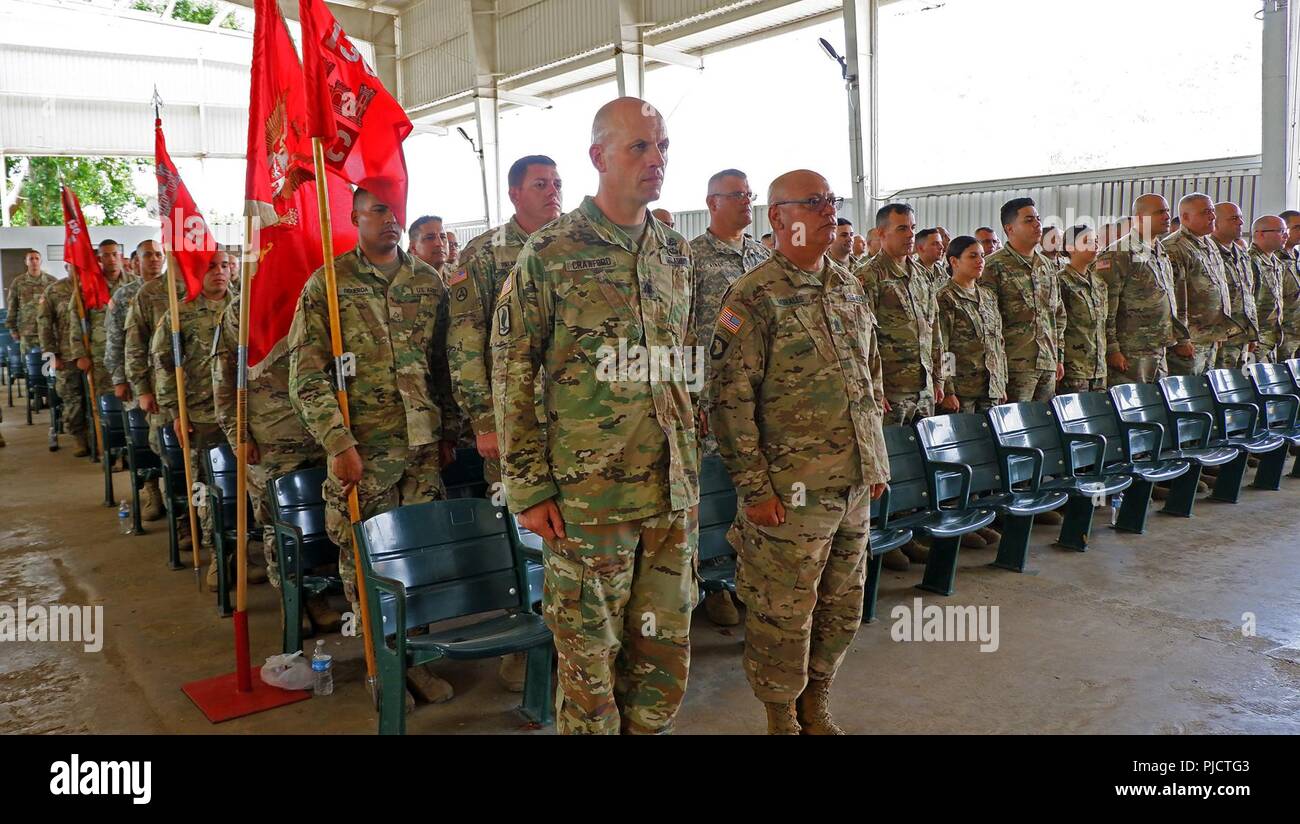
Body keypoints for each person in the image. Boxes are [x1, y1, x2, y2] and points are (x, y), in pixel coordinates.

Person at [491, 97, 698, 734]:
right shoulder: (550, 253)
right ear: (598, 157)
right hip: (589, 501)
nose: (655, 160)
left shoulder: (673, 252)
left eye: (661, 146)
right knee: (589, 668)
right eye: (639, 147)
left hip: (669, 494)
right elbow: (512, 369)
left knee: (662, 659)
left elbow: (680, 364)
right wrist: (527, 486)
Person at [709, 169, 887, 734]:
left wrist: (875, 461)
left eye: (831, 200)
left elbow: (870, 377)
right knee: (784, 612)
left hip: (853, 482)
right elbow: (729, 401)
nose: (827, 210)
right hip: (791, 491)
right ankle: (780, 712)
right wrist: (755, 490)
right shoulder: (753, 296)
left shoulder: (847, 284)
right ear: (778, 218)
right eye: (813, 202)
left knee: (841, 605)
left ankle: (818, 700)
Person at [288, 187, 461, 705]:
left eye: (394, 211)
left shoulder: (427, 282)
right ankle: (381, 667)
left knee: (419, 561)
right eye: (378, 211)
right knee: (366, 563)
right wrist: (337, 441)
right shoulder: (329, 285)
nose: (390, 220)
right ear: (354, 217)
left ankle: (418, 660)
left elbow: (443, 365)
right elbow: (307, 372)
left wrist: (448, 430)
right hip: (365, 451)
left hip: (423, 449)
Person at [447, 153, 564, 692]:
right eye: (541, 184)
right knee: (523, 529)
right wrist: (483, 419)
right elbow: (466, 343)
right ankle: (525, 642)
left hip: (573, 420)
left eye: (558, 183)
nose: (553, 192)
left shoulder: (572, 244)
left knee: (571, 529)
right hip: (515, 419)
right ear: (515, 193)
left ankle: (572, 636)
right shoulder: (484, 254)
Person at [688, 167, 769, 627]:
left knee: (750, 485)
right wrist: (693, 399)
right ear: (712, 202)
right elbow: (677, 332)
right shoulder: (690, 259)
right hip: (711, 399)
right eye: (737, 195)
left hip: (758, 398)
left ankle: (744, 576)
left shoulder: (760, 255)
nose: (746, 202)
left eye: (750, 195)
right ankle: (706, 582)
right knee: (706, 490)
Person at [858, 202, 941, 569]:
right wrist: (874, 390)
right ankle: (882, 537)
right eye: (901, 229)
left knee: (913, 464)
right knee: (884, 465)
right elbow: (862, 343)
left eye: (912, 228)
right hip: (890, 390)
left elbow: (934, 330)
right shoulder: (867, 277)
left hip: (921, 386)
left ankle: (911, 531)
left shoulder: (922, 275)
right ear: (881, 234)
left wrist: (938, 378)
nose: (909, 236)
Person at [152, 250, 237, 589]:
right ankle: (216, 554)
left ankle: (238, 553)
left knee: (238, 490)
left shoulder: (243, 308)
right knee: (205, 488)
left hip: (239, 414)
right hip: (199, 415)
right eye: (211, 267)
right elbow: (161, 363)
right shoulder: (180, 313)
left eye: (225, 266)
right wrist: (175, 410)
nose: (219, 272)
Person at [981, 198, 1065, 401]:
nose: (1037, 224)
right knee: (1013, 427)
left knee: (1043, 426)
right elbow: (988, 323)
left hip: (1047, 362)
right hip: (1014, 366)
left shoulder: (1047, 265)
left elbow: (1057, 314)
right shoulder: (992, 266)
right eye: (1028, 220)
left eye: (1038, 218)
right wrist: (997, 370)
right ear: (1010, 228)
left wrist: (1059, 357)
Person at [1098, 194, 1179, 384]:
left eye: (1167, 211)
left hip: (1159, 345)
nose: (1167, 217)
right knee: (1133, 406)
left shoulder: (1159, 249)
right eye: (1160, 212)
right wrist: (1112, 348)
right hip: (1131, 349)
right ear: (1141, 217)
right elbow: (1106, 306)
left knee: (1158, 406)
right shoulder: (1119, 252)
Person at [1164, 193, 1236, 375]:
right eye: (1206, 212)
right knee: (1189, 395)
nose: (1213, 216)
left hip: (1210, 336)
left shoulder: (1209, 244)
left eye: (1213, 211)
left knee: (1207, 393)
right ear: (1185, 217)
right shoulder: (1174, 247)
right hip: (1191, 338)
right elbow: (1174, 298)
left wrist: (1219, 330)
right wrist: (1182, 339)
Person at [936, 235, 1007, 413]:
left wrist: (1001, 381)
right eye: (972, 256)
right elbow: (942, 348)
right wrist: (948, 390)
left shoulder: (988, 296)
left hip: (990, 387)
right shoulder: (945, 297)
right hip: (962, 391)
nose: (980, 261)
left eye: (982, 256)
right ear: (954, 261)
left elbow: (998, 342)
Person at [106, 239, 166, 403]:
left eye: (158, 254)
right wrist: (119, 379)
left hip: (168, 375)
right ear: (137, 261)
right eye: (148, 255)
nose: (154, 259)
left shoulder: (175, 292)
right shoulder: (123, 295)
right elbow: (115, 339)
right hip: (137, 375)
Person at [1057, 225, 1108, 392]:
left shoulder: (1099, 282)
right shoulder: (1060, 281)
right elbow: (1056, 326)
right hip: (1073, 368)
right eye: (1087, 241)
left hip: (1099, 368)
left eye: (1095, 241)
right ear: (1070, 247)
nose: (1094, 246)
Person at [1210, 202, 1259, 369]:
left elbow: (1249, 296)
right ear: (1215, 222)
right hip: (1221, 339)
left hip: (1243, 337)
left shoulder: (1242, 255)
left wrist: (1253, 334)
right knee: (1220, 388)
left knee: (1243, 386)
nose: (1240, 223)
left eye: (1241, 218)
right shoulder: (1208, 253)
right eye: (1234, 218)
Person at [1248, 215, 1287, 364]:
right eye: (1280, 231)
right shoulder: (1250, 261)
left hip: (1271, 339)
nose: (1285, 235)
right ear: (1260, 233)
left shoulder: (1276, 262)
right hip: (1256, 340)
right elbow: (1247, 303)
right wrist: (1252, 337)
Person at [6, 249, 56, 355]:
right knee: (30, 367)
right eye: (31, 258)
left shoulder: (52, 281)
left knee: (49, 367)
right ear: (26, 262)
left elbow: (58, 307)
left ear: (41, 261)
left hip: (49, 332)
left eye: (37, 258)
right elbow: (12, 306)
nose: (34, 261)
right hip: (27, 333)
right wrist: (12, 329)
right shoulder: (18, 282)